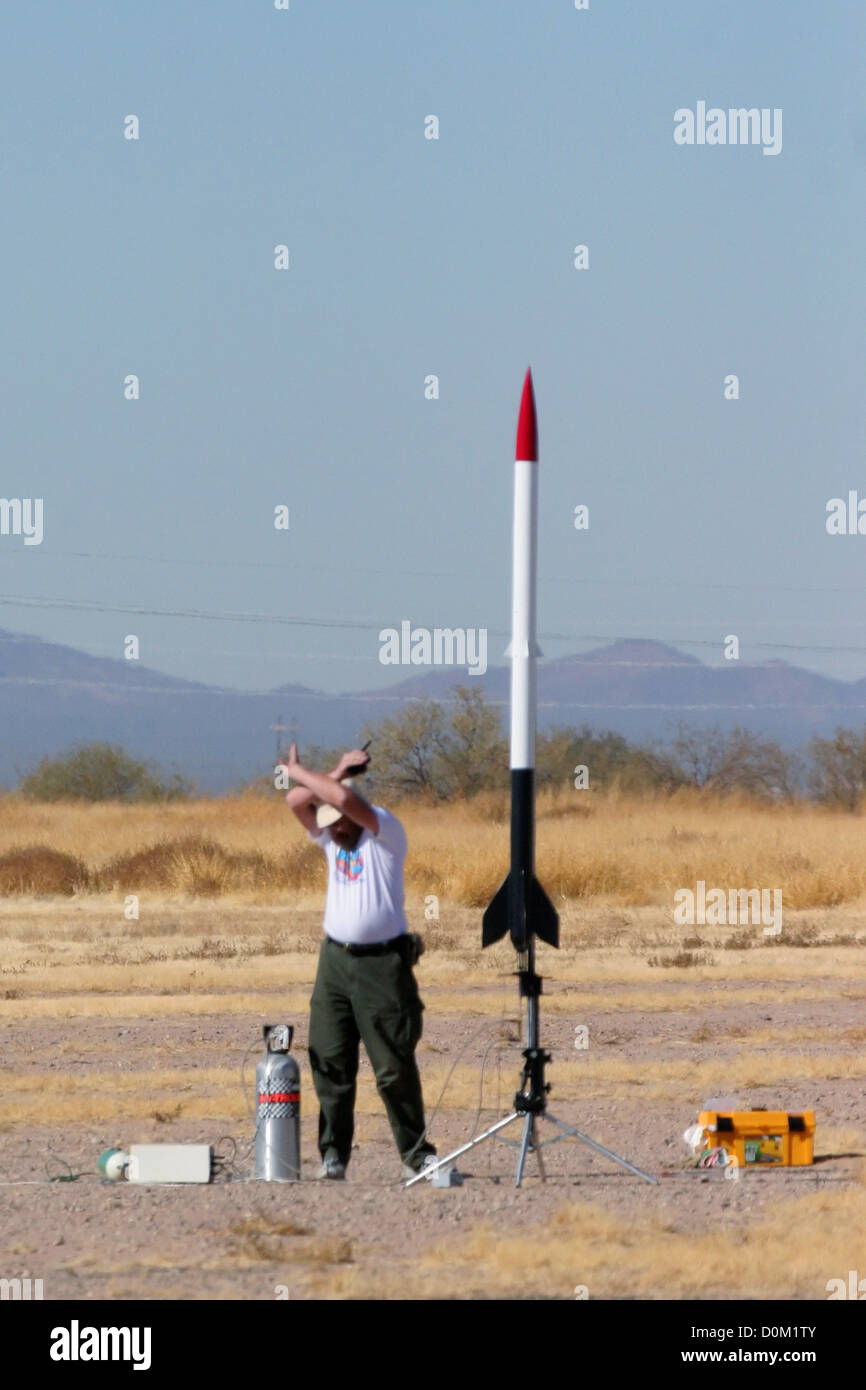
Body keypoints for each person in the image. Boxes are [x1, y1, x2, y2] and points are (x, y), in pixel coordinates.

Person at [281, 742, 437, 1181]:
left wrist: (301, 769)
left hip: (381, 966)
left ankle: (417, 1153)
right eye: (327, 822)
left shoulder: (384, 833)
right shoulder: (333, 840)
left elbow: (345, 799)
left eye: (338, 822)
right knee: (330, 1060)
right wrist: (334, 768)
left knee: (392, 1065)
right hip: (334, 962)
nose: (332, 830)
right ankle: (334, 1154)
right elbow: (297, 800)